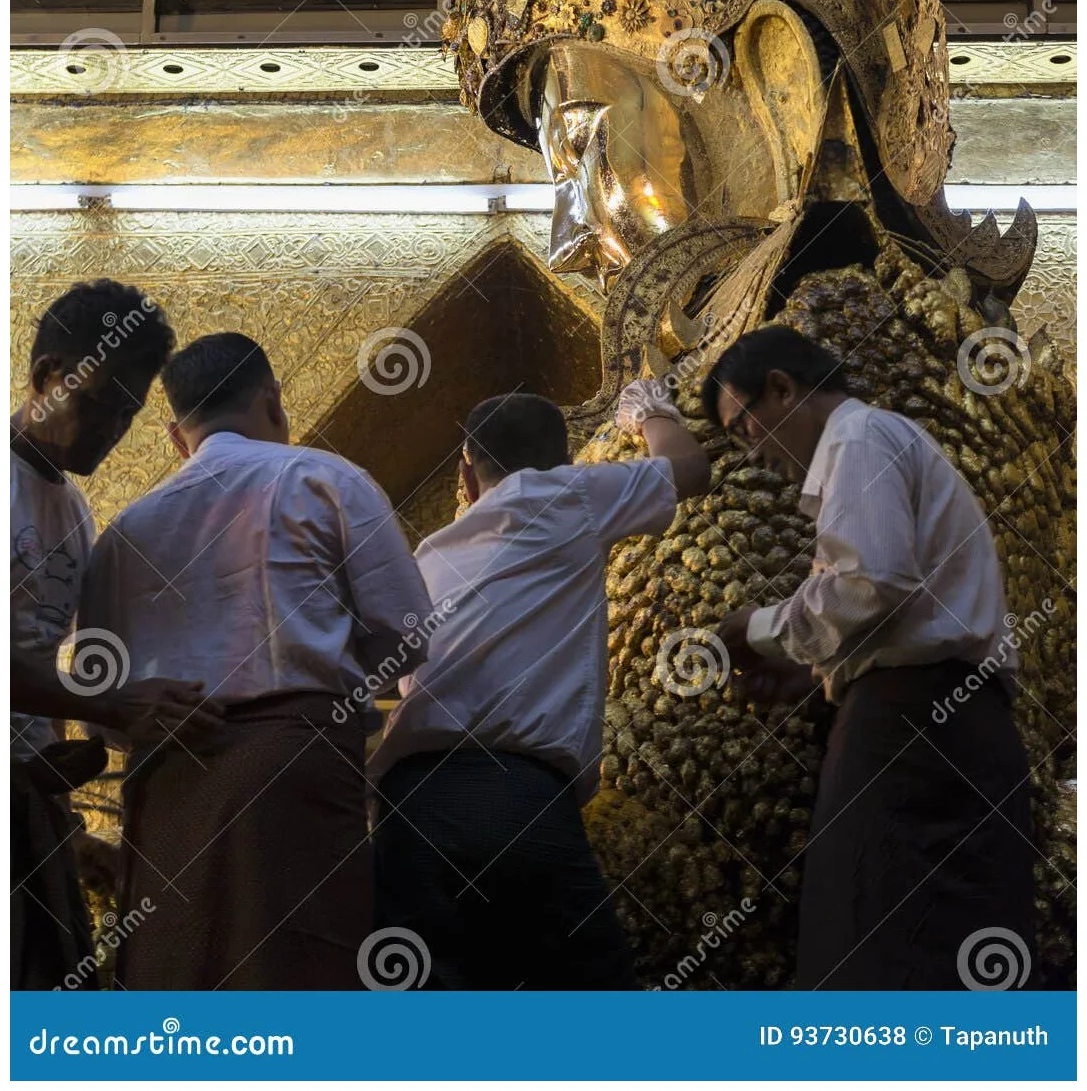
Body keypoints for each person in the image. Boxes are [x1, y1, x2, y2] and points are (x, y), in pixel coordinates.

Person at [79, 331, 432, 991]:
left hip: (166, 787)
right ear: (273, 400)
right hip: (291, 761)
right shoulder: (324, 479)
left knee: (178, 971)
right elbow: (407, 636)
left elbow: (103, 712)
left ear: (174, 437)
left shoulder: (122, 533)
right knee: (302, 964)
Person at [704, 324, 1035, 991]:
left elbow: (872, 580)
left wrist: (757, 628)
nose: (752, 457)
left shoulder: (856, 440)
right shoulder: (878, 444)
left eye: (743, 428)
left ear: (780, 388)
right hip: (944, 723)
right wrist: (815, 673)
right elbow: (891, 606)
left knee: (875, 945)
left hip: (909, 730)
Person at [370, 380, 711, 990]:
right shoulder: (565, 494)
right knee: (588, 997)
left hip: (405, 803)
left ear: (467, 476)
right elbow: (687, 468)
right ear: (564, 461)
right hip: (512, 795)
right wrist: (649, 410)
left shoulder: (426, 555)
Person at [10, 279, 211, 991]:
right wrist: (115, 707)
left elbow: (36, 671)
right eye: (97, 405)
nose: (110, 430)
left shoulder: (75, 511)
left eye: (127, 413)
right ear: (46, 378)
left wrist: (60, 817)